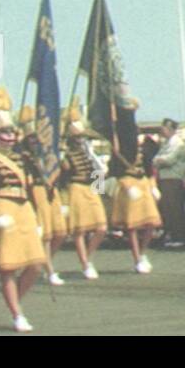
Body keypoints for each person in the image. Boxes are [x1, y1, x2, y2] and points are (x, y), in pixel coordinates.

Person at [0, 87, 46, 333]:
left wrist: (38, 217)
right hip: (4, 209)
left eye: (11, 131)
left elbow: (31, 186)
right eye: (4, 132)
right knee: (8, 267)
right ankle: (17, 313)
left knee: (36, 264)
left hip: (24, 209)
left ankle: (14, 300)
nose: (10, 136)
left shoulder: (22, 158)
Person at [108, 102, 163, 273]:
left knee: (152, 222)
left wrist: (153, 186)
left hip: (143, 184)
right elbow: (115, 171)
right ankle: (136, 258)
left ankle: (143, 252)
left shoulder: (144, 149)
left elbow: (150, 169)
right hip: (128, 184)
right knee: (132, 226)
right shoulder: (119, 151)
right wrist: (126, 186)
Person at [17, 105, 67, 286]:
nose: (34, 141)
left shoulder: (52, 153)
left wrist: (97, 191)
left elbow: (97, 172)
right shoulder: (23, 157)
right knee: (45, 235)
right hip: (37, 192)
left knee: (60, 233)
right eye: (30, 138)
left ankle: (45, 264)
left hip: (55, 192)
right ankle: (49, 269)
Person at [59, 100, 107, 280]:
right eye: (78, 137)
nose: (81, 139)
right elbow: (63, 174)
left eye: (82, 136)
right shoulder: (65, 150)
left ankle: (88, 257)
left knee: (101, 227)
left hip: (91, 188)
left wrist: (99, 190)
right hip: (76, 187)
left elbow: (98, 171)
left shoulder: (89, 149)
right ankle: (85, 264)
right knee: (80, 230)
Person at [153, 118, 185, 247]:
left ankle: (180, 237)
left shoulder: (178, 143)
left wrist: (159, 160)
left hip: (174, 178)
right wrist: (158, 160)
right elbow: (155, 159)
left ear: (172, 129)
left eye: (165, 128)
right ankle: (173, 236)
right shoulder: (165, 143)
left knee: (175, 208)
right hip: (164, 178)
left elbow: (169, 160)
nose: (163, 130)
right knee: (167, 209)